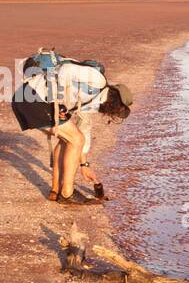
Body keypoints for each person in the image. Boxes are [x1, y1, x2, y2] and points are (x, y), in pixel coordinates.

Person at [44, 59, 133, 204]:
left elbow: (84, 130)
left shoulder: (96, 100)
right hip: (44, 97)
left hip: (50, 96)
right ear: (116, 100)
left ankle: (55, 190)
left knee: (66, 140)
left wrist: (84, 166)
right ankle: (64, 193)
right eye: (117, 111)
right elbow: (65, 70)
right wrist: (59, 103)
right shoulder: (96, 85)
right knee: (72, 140)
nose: (113, 115)